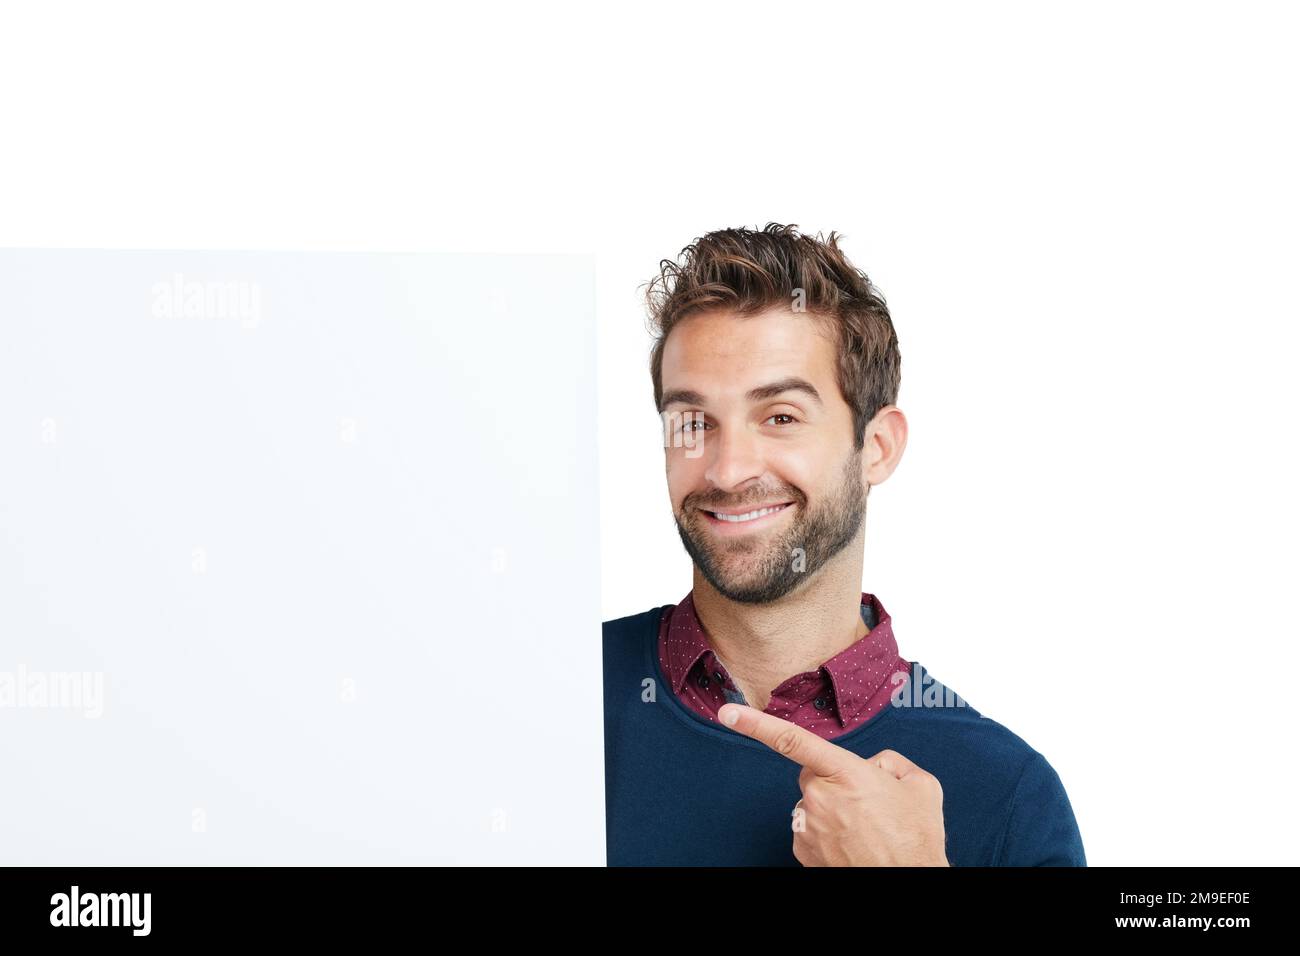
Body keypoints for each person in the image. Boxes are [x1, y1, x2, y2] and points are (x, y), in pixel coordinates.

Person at [603, 223, 1086, 866]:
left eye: (780, 417)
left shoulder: (1008, 796)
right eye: (693, 422)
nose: (726, 471)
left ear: (876, 448)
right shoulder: (547, 691)